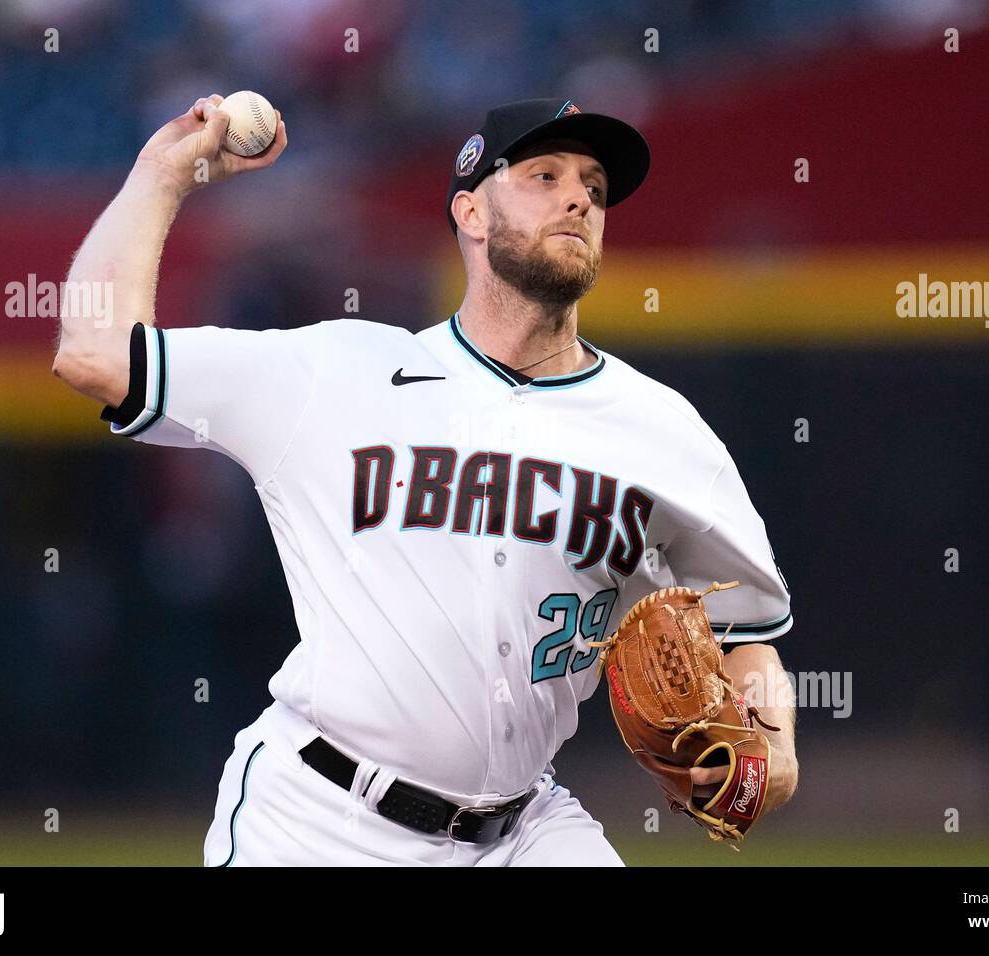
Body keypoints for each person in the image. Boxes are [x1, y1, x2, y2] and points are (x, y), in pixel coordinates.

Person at [52, 95, 798, 866]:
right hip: (317, 820)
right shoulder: (334, 372)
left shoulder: (662, 430)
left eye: (594, 187)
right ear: (471, 214)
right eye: (544, 175)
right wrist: (160, 176)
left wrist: (770, 754)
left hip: (525, 832)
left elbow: (750, 634)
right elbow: (96, 352)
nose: (580, 196)